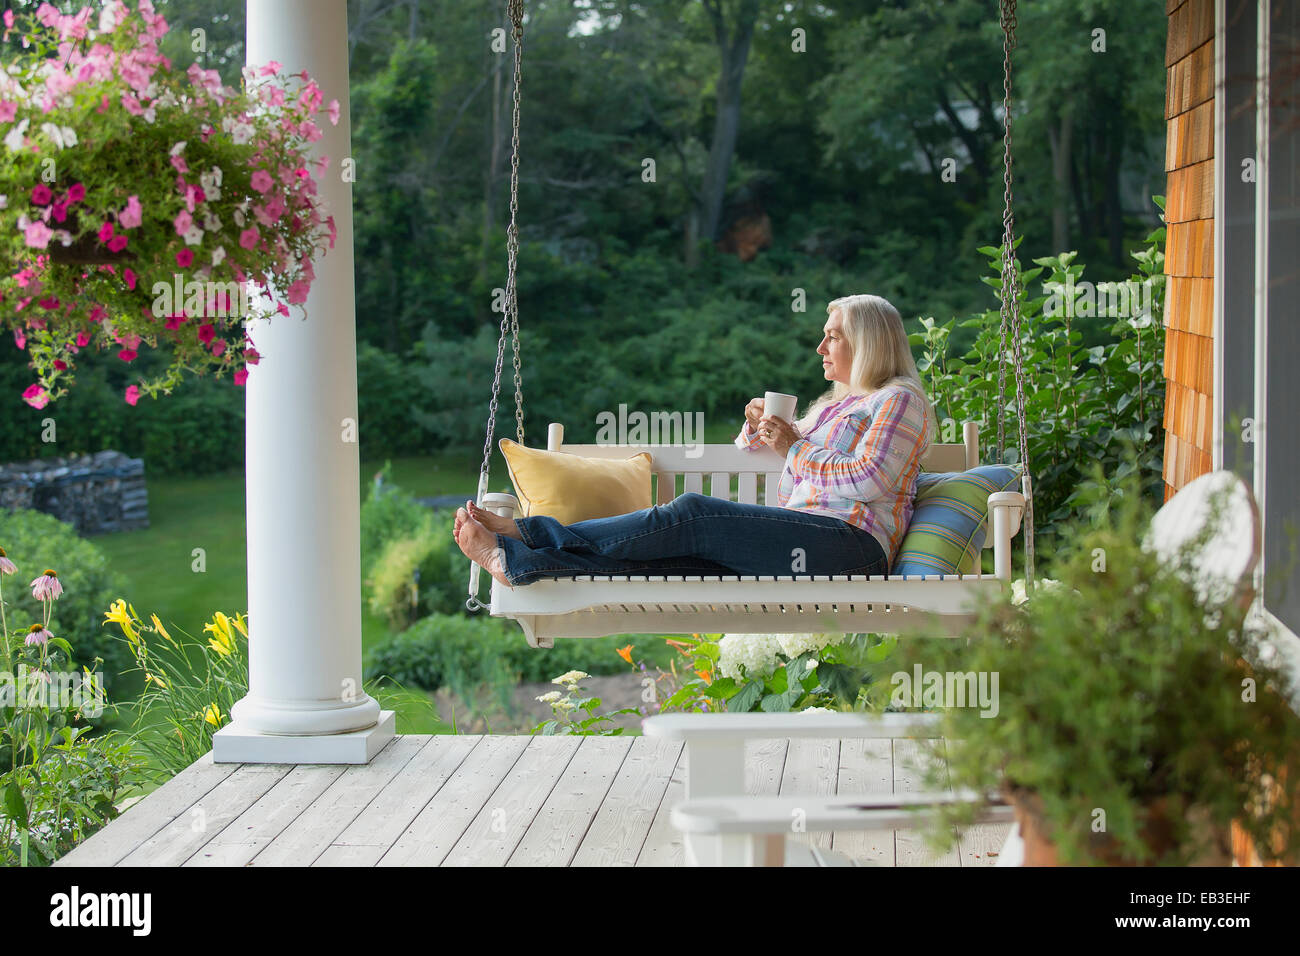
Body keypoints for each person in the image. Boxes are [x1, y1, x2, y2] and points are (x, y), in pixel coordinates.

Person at [453, 293, 937, 587]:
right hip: (800, 540)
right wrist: (760, 428)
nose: (820, 347)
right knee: (676, 563)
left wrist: (792, 446)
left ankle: (530, 532)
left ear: (868, 341)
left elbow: (871, 479)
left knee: (693, 512)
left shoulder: (898, 400)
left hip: (849, 548)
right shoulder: (833, 405)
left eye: (832, 337)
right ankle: (515, 562)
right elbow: (762, 451)